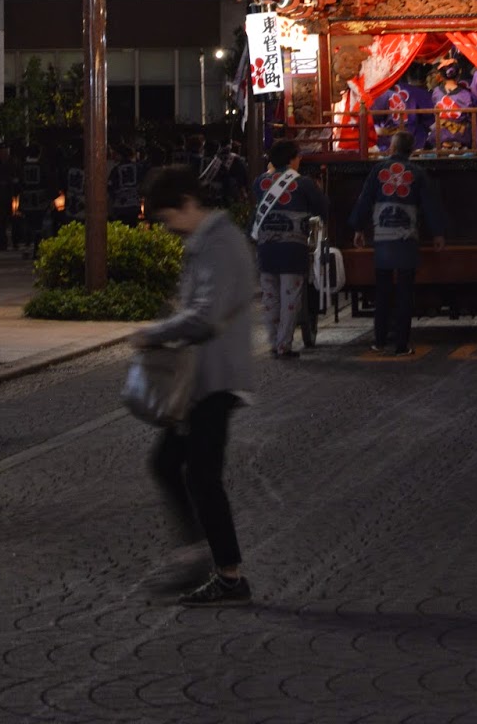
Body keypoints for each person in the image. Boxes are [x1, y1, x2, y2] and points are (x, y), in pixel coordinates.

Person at [140, 165, 255, 607]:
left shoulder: (219, 244)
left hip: (215, 376)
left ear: (188, 203)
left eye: (168, 218)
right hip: (201, 375)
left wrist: (155, 332)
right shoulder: (206, 242)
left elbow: (206, 314)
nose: (168, 229)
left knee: (201, 475)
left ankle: (228, 574)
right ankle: (199, 558)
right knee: (169, 463)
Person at [349, 130, 446, 355]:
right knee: (404, 293)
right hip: (406, 239)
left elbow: (365, 200)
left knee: (382, 291)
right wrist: (438, 233)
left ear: (392, 148)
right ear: (411, 151)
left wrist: (358, 228)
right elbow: (430, 205)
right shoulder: (417, 173)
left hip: (382, 238)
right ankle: (402, 344)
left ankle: (380, 341)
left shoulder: (378, 170)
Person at [251, 140, 328, 359]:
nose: (300, 159)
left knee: (270, 298)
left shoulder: (260, 182)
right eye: (298, 156)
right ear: (292, 159)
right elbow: (322, 207)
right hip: (292, 249)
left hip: (266, 248)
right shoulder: (303, 183)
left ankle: (274, 341)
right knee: (290, 298)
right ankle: (284, 345)